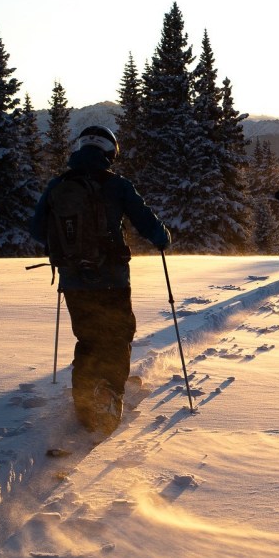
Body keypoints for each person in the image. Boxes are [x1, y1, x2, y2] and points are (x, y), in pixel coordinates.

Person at [30, 125, 171, 436]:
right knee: (117, 337)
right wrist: (163, 238)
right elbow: (146, 221)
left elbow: (38, 230)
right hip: (112, 278)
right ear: (109, 152)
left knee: (89, 339)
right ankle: (108, 395)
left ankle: (84, 402)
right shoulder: (117, 185)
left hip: (73, 281)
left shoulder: (58, 185)